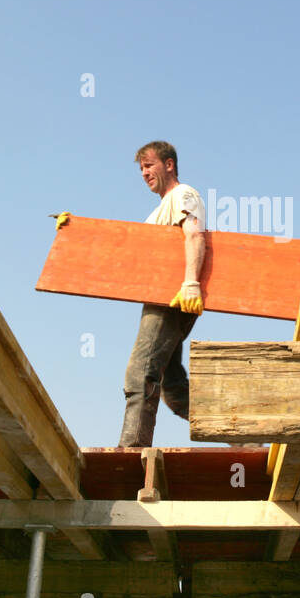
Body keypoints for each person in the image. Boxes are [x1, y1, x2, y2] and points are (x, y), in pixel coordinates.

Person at [119, 141, 207, 447]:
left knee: (140, 372)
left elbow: (194, 234)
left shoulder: (183, 195)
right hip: (161, 297)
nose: (144, 173)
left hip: (174, 298)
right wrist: (73, 231)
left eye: (149, 165)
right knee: (174, 390)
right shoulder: (157, 212)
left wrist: (191, 283)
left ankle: (131, 451)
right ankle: (242, 430)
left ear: (169, 164)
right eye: (141, 168)